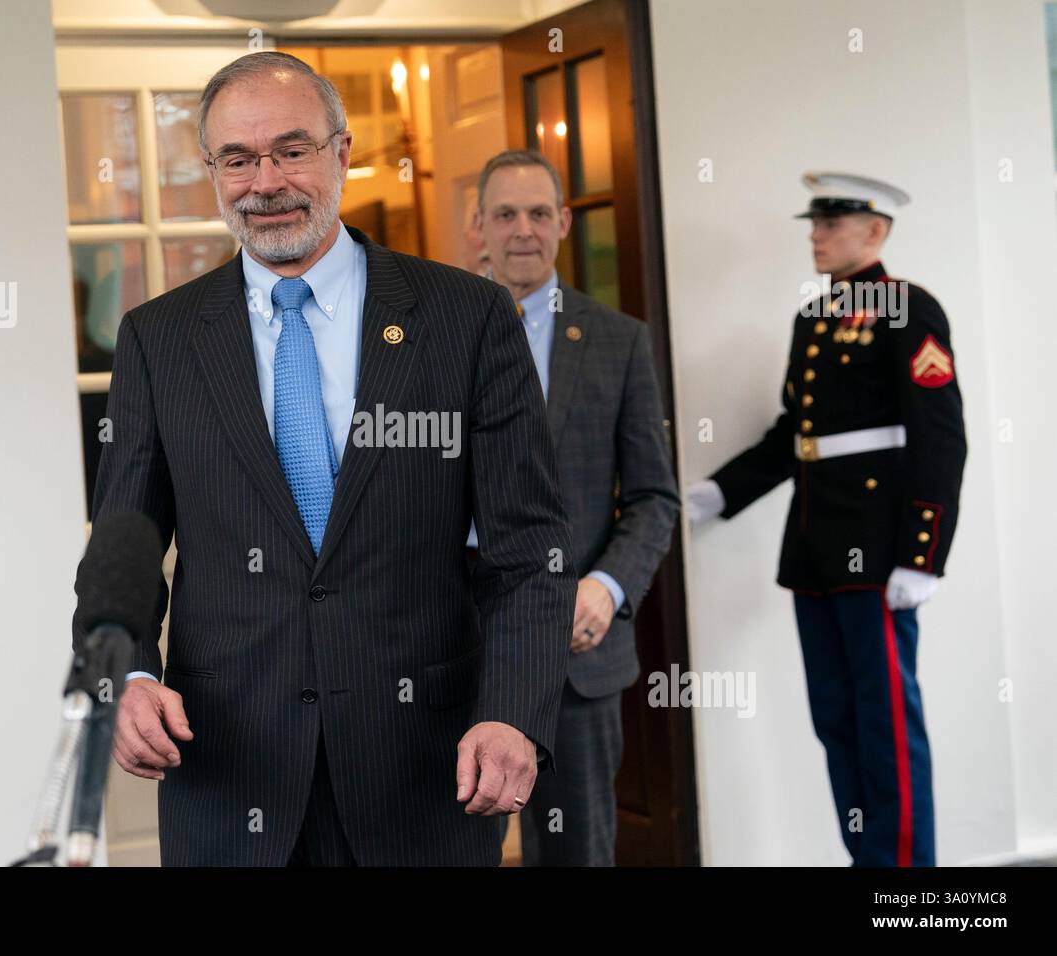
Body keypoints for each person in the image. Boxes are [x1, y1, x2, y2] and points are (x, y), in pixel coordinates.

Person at [72, 52, 576, 866]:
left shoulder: (466, 318)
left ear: (341, 153)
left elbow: (530, 553)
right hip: (229, 776)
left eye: (291, 149)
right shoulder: (157, 339)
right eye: (237, 159)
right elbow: (122, 543)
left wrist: (513, 713)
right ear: (212, 171)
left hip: (424, 776)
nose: (264, 180)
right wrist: (127, 678)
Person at [685, 172, 967, 866]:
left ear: (876, 230)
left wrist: (922, 554)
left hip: (876, 551)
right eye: (814, 222)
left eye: (831, 222)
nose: (815, 234)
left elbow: (939, 435)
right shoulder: (813, 317)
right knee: (835, 720)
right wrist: (714, 494)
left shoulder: (909, 309)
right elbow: (797, 436)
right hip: (814, 546)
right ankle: (866, 859)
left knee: (887, 723)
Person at [473, 150, 679, 865]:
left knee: (575, 851)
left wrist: (608, 586)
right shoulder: (427, 336)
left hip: (576, 651)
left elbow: (655, 498)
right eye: (504, 214)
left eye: (537, 213)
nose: (522, 229)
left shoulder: (619, 341)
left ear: (563, 221)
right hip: (449, 646)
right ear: (479, 227)